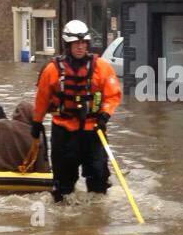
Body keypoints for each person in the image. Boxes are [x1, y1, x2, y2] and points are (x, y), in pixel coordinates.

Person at [31, 20, 122, 201]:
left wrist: (104, 115)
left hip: (93, 129)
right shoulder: (52, 70)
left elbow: (113, 95)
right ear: (68, 45)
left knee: (98, 178)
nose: (80, 47)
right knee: (63, 185)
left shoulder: (101, 67)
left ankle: (97, 216)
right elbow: (42, 99)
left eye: (83, 43)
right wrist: (36, 122)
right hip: (64, 130)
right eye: (76, 43)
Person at [0, 101, 49, 173]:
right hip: (23, 176)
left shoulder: (1, 125)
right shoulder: (37, 138)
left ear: (16, 113)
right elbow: (42, 168)